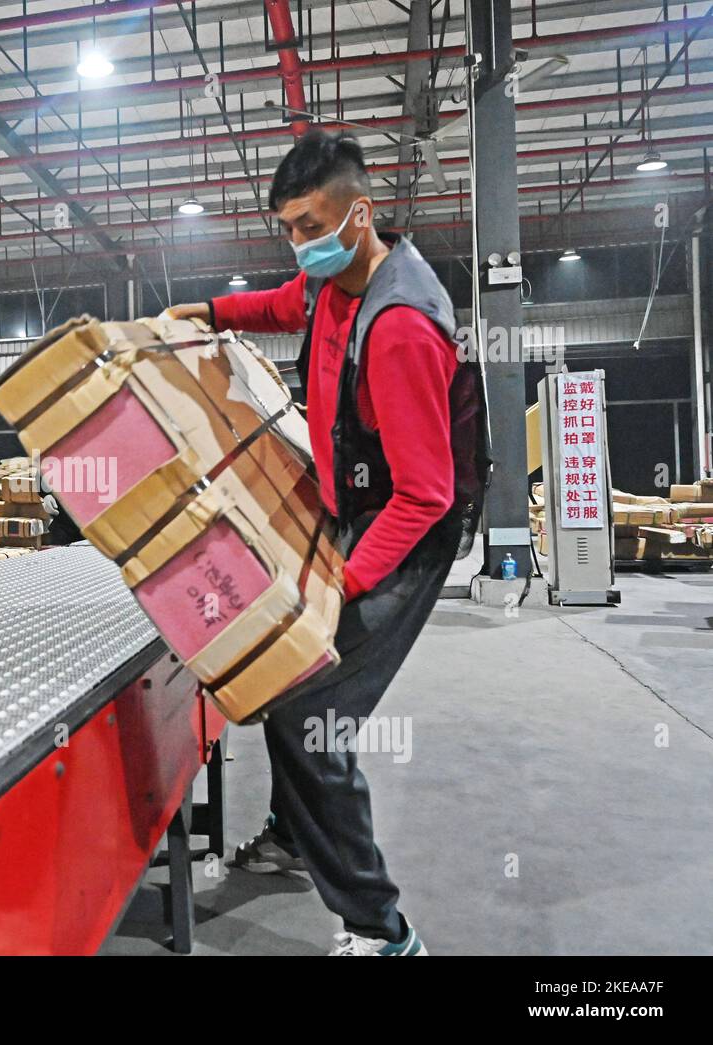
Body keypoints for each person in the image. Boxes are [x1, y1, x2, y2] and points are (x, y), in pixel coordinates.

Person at [164, 129, 486, 957]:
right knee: (291, 680)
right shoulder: (335, 285)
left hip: (405, 535)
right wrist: (207, 312)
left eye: (312, 223)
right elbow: (281, 304)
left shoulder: (402, 326)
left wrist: (344, 581)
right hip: (357, 510)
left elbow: (428, 492)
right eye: (290, 229)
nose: (301, 242)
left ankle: (382, 928)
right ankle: (294, 836)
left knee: (313, 713)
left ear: (360, 213)